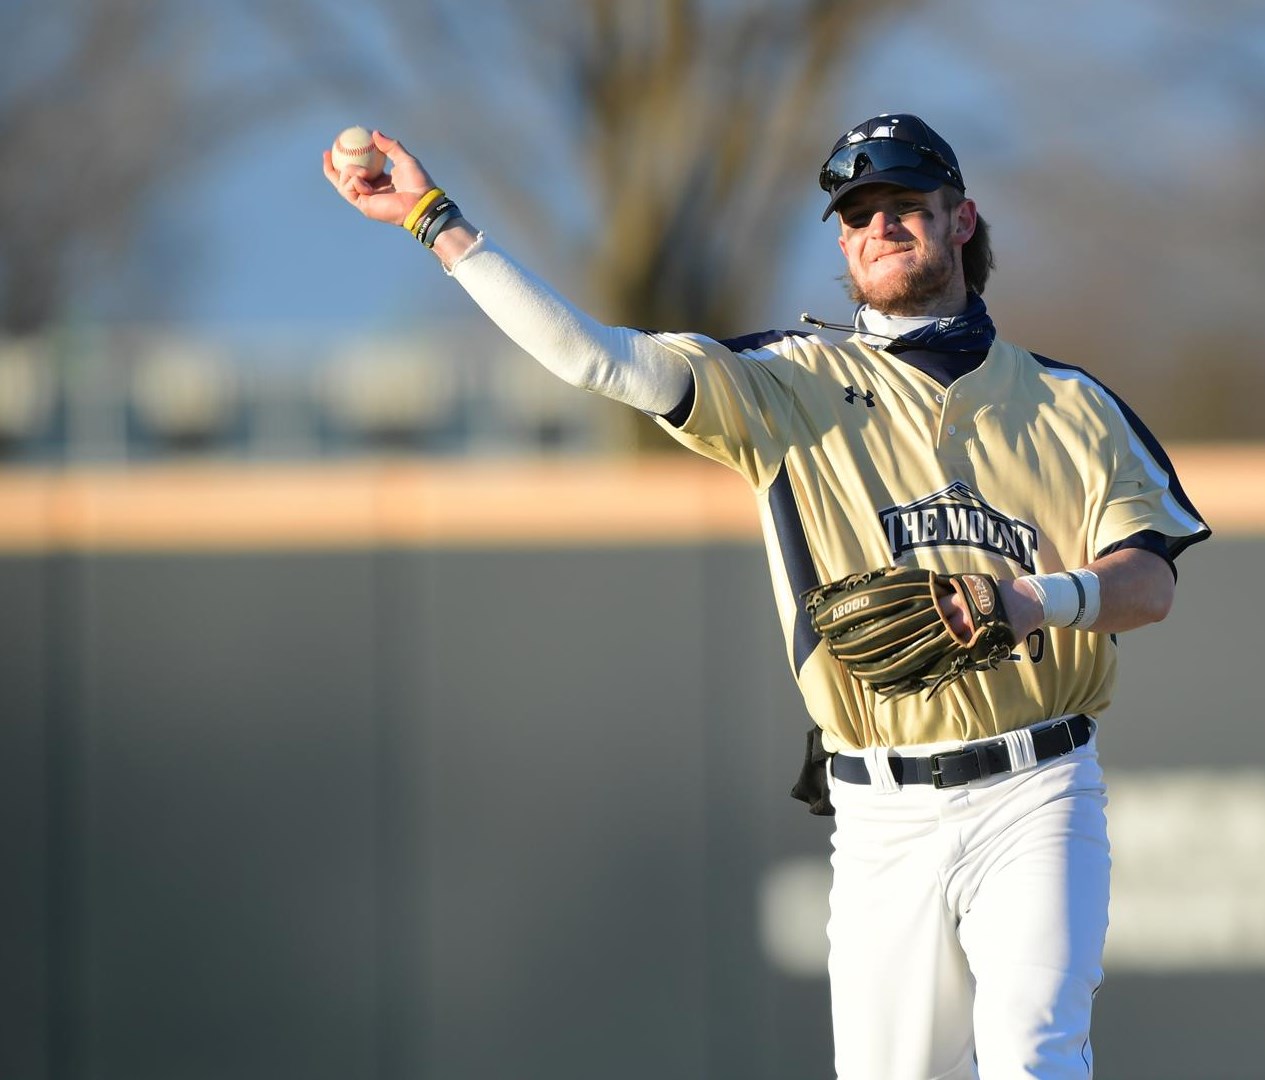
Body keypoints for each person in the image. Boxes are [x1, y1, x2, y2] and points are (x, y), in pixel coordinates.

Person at [325, 112, 1210, 1079]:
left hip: (1038, 789)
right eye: (858, 213)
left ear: (961, 220)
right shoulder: (786, 383)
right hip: (882, 807)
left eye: (905, 204)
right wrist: (434, 220)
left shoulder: (1071, 404)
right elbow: (596, 359)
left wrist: (1040, 600)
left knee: (1033, 1057)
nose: (880, 227)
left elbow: (1150, 583)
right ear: (841, 239)